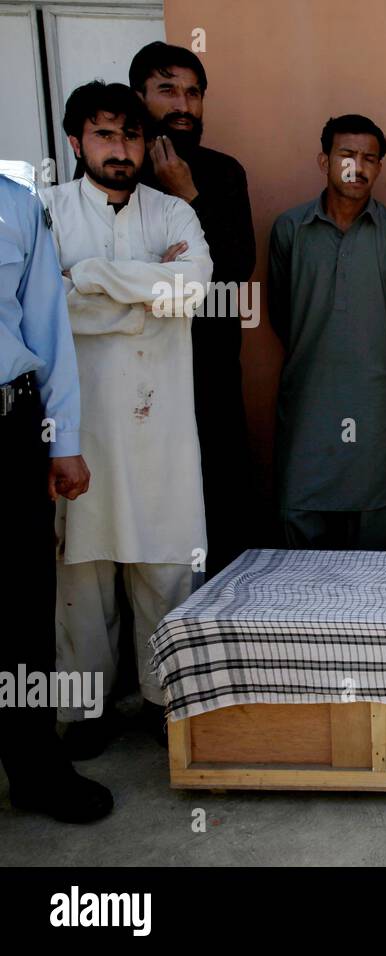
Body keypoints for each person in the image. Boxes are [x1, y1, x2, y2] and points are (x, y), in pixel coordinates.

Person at [42, 82, 211, 756]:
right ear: (77, 141)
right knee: (79, 572)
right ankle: (84, 714)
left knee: (166, 564)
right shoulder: (46, 212)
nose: (120, 149)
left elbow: (193, 286)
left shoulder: (173, 212)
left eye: (131, 135)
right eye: (105, 135)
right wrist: (144, 289)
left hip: (162, 423)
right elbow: (42, 311)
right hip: (77, 425)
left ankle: (165, 701)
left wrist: (88, 278)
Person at [0, 172, 111, 822]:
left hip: (9, 423)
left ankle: (37, 769)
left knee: (19, 609)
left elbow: (47, 329)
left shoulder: (16, 208)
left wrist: (61, 438)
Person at [268, 114, 386, 550]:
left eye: (369, 158)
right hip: (307, 407)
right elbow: (283, 314)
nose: (357, 166)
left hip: (379, 411)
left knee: (376, 542)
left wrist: (385, 368)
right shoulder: (290, 231)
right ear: (324, 161)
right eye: (346, 155)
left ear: (379, 167)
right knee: (299, 543)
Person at [132, 41, 257, 576]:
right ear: (140, 96)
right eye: (167, 90)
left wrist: (186, 196)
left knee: (221, 508)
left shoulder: (224, 173)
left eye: (193, 92)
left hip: (209, 367)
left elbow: (234, 271)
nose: (183, 104)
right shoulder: (116, 170)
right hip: (136, 373)